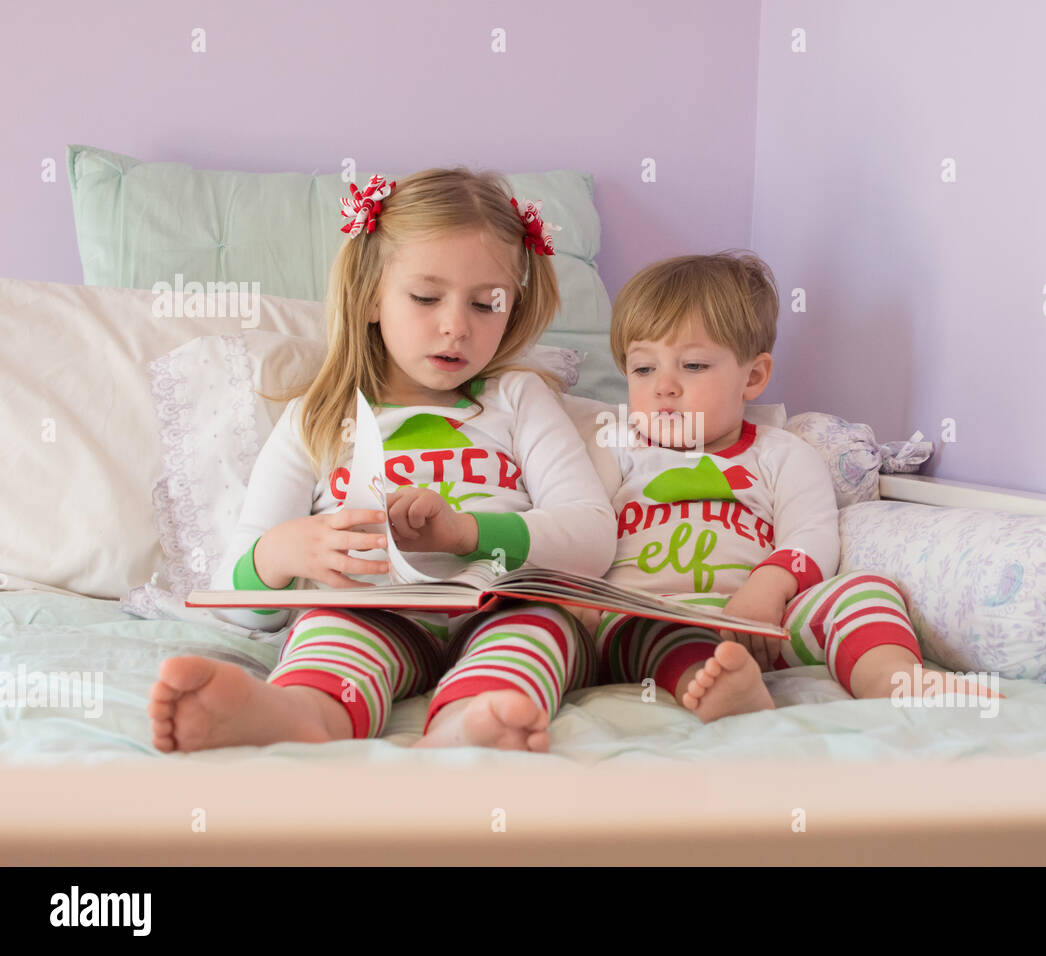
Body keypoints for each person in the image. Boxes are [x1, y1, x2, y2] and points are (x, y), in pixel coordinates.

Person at [149, 168, 615, 754]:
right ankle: (299, 714)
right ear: (371, 296)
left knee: (543, 628)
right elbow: (238, 604)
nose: (456, 325)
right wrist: (281, 553)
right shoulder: (315, 417)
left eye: (486, 303)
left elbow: (593, 537)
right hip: (373, 607)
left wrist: (465, 533)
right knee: (331, 632)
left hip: (502, 599)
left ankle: (472, 720)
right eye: (425, 297)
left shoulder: (519, 398)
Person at [571, 251, 1002, 720]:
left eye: (693, 366)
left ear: (752, 376)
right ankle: (713, 684)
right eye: (643, 369)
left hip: (761, 619)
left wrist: (769, 588)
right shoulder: (614, 448)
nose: (664, 386)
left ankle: (892, 676)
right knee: (644, 628)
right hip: (647, 611)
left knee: (864, 590)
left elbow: (812, 534)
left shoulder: (781, 453)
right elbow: (582, 524)